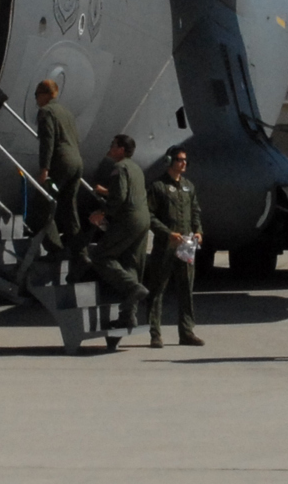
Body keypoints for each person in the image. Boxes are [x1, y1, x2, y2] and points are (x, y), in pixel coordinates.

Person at [84, 131, 152, 340]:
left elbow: (121, 197)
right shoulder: (136, 168)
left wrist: (101, 213)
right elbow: (128, 192)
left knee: (100, 256)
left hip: (128, 220)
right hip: (143, 220)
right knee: (130, 263)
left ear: (121, 149)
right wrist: (105, 192)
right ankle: (128, 316)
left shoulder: (119, 168)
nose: (110, 148)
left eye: (113, 145)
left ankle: (134, 288)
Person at [142, 144, 204, 348]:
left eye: (185, 160)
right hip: (165, 244)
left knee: (186, 288)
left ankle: (187, 331)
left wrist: (198, 231)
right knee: (158, 289)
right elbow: (148, 214)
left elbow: (195, 211)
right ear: (169, 161)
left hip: (186, 244)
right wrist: (167, 233)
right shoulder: (157, 186)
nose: (184, 163)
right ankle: (155, 333)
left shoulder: (188, 186)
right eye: (180, 159)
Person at [31, 77, 83, 255]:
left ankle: (55, 251)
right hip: (76, 162)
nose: (36, 100)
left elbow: (48, 141)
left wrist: (44, 170)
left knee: (42, 206)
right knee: (69, 209)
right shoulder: (66, 113)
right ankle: (80, 254)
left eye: (36, 95)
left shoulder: (46, 111)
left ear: (45, 95)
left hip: (61, 164)